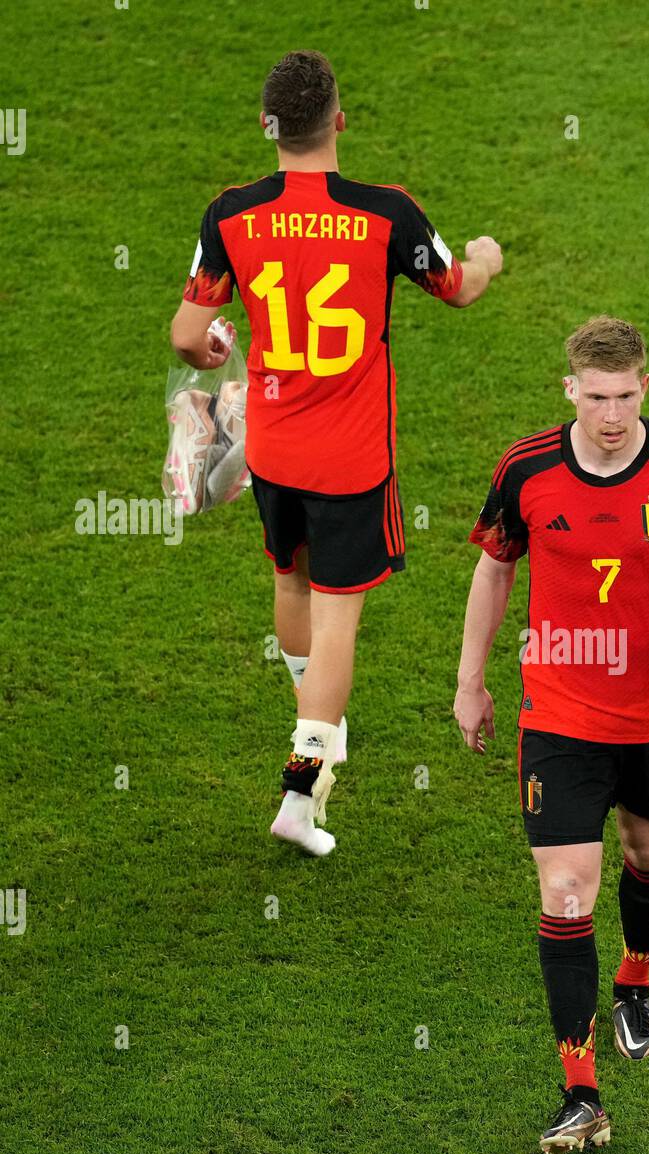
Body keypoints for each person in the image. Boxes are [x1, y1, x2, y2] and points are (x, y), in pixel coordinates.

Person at [171, 49, 503, 855]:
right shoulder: (384, 212)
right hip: (352, 458)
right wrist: (488, 257)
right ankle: (301, 786)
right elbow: (455, 285)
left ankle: (317, 719)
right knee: (338, 624)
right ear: (339, 121)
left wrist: (217, 354)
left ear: (266, 126)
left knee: (291, 578)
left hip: (271, 452)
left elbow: (188, 337)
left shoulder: (230, 213)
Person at [453, 316, 649, 1153]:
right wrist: (471, 681)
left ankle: (635, 980)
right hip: (561, 710)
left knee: (648, 851)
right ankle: (579, 1090)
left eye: (624, 396)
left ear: (644, 388)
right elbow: (493, 565)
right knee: (565, 890)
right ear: (569, 390)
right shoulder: (526, 470)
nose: (611, 415)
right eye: (595, 397)